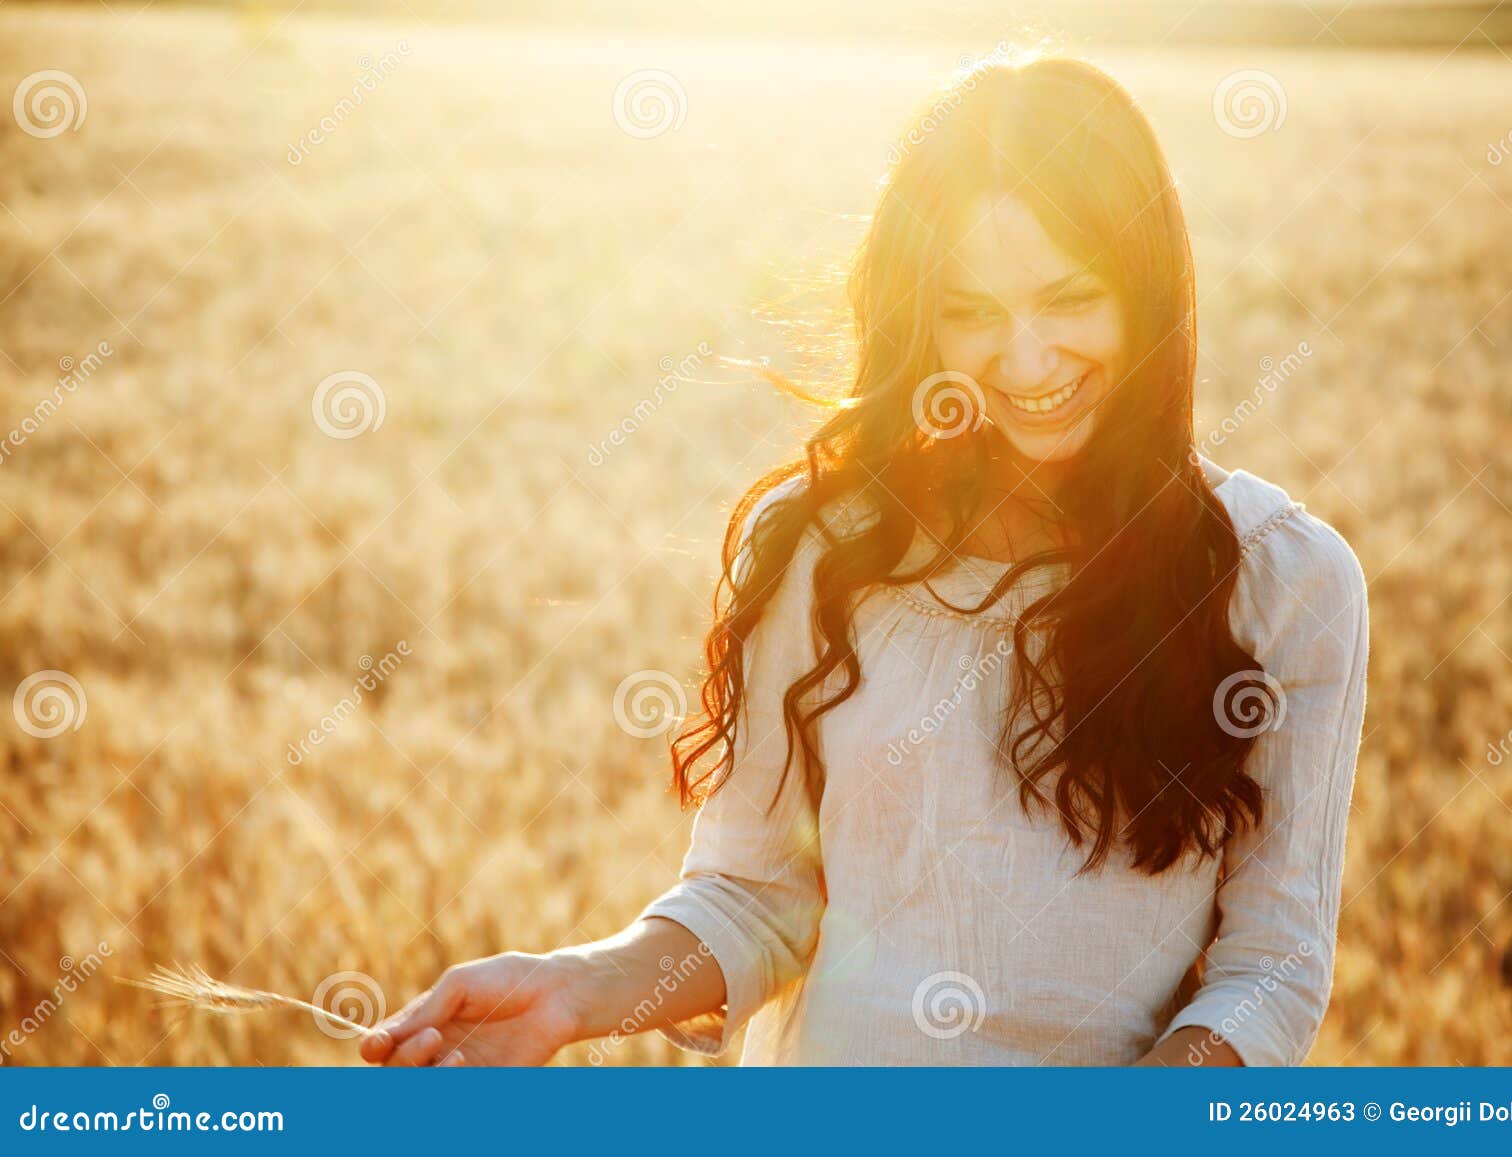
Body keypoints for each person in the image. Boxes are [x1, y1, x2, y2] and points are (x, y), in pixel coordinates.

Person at [361, 50, 1369, 1069]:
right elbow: (755, 895)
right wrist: (576, 987)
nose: (1025, 361)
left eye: (1070, 298)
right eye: (969, 312)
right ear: (917, 316)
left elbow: (1270, 966)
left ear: (1150, 290)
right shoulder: (821, 543)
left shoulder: (1288, 583)